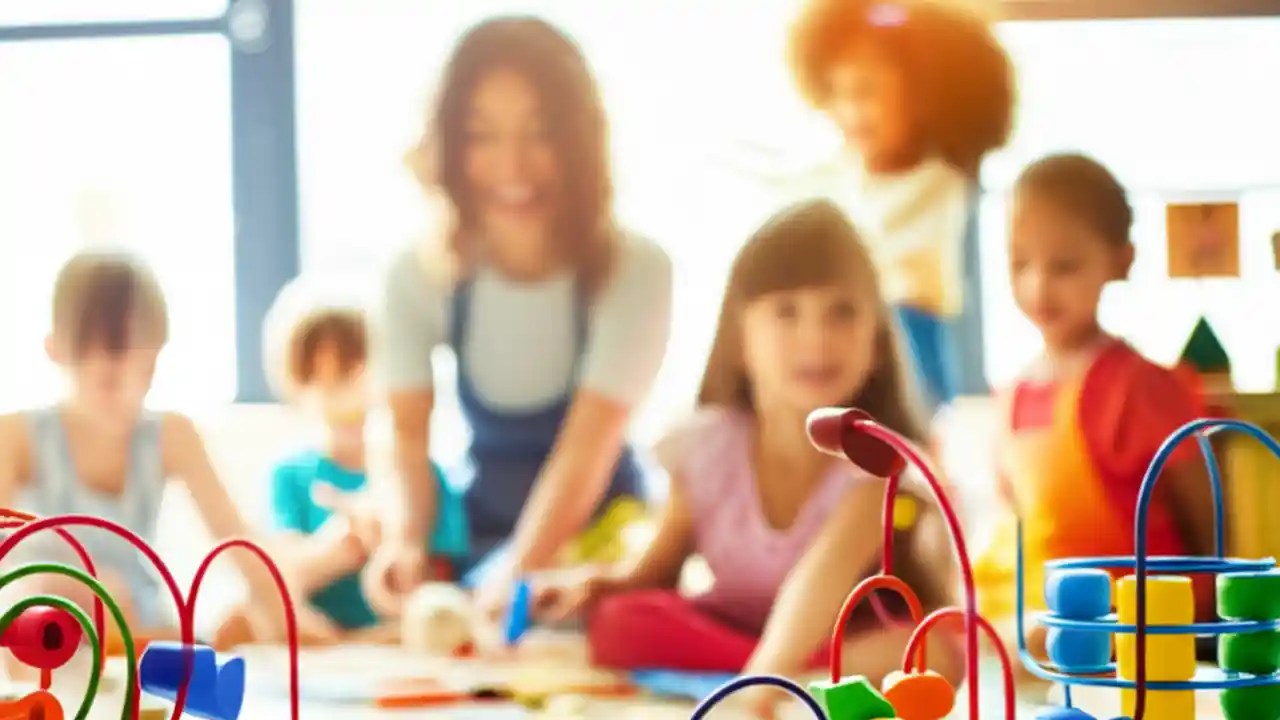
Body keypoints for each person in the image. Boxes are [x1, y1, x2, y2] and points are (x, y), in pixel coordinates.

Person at [538, 201, 960, 718]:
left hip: (844, 640)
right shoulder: (706, 446)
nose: (816, 338)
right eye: (786, 312)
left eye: (843, 312)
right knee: (619, 619)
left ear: (877, 341)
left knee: (927, 652)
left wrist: (757, 691)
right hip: (749, 639)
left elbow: (814, 587)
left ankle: (771, 678)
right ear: (740, 339)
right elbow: (659, 566)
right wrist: (603, 584)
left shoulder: (880, 467)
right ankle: (781, 677)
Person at [365, 17, 673, 614]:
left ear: (581, 141)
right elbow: (404, 432)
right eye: (482, 136)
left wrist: (519, 573)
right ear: (451, 148)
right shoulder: (418, 272)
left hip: (598, 535)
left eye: (541, 134)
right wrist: (404, 540)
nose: (512, 166)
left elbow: (588, 446)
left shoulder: (636, 268)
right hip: (479, 529)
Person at [0, 249, 335, 649]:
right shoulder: (18, 435)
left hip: (135, 622)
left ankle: (190, 645)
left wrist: (285, 610)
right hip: (44, 621)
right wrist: (80, 580)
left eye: (146, 371)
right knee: (52, 590)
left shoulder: (170, 433)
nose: (131, 392)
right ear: (55, 350)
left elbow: (237, 540)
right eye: (109, 379)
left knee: (237, 620)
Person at [973, 154, 1217, 653]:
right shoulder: (1013, 394)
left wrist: (1207, 616)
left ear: (1120, 261)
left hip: (1145, 622)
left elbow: (1204, 517)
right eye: (1019, 263)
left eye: (1063, 266)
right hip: (1054, 614)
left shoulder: (1141, 385)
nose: (1038, 286)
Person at [787, 0, 1014, 417]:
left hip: (925, 395)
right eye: (835, 92)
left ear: (924, 94)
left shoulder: (948, 189)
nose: (849, 112)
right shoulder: (833, 181)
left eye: (866, 91)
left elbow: (961, 340)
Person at [220, 279, 469, 644]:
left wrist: (398, 547)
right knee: (242, 614)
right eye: (321, 381)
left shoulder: (419, 476)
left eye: (352, 374)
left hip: (399, 639)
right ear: (296, 387)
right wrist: (341, 545)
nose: (340, 397)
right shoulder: (290, 477)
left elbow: (447, 588)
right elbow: (279, 579)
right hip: (319, 642)